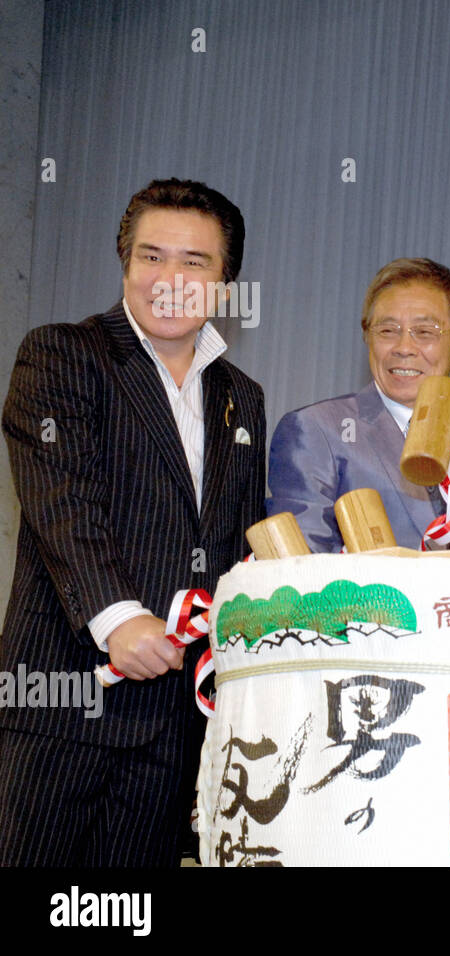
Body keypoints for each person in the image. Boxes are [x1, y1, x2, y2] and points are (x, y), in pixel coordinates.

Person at [0, 178, 267, 865]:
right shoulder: (62, 354)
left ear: (226, 284)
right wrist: (119, 619)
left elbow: (243, 543)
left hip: (177, 727)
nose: (170, 279)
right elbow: (61, 502)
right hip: (64, 705)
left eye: (195, 263)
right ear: (125, 264)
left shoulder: (243, 397)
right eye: (152, 257)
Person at [269, 258, 450, 552]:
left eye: (424, 332)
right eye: (387, 331)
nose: (404, 348)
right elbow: (298, 572)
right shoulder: (316, 432)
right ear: (367, 338)